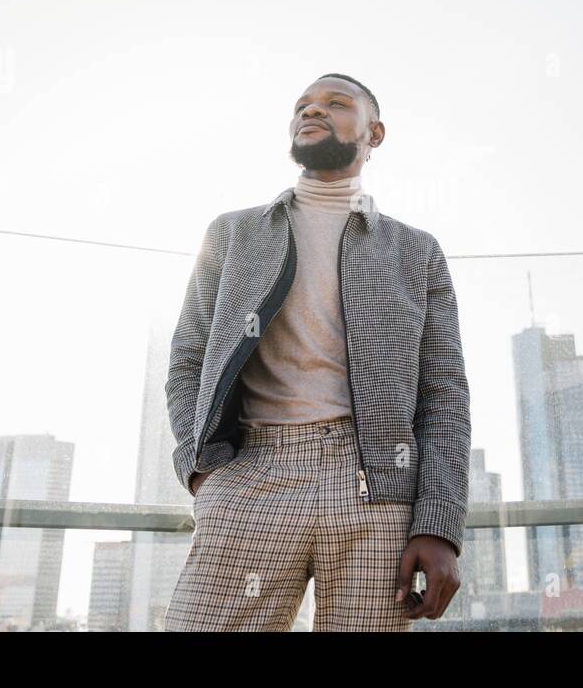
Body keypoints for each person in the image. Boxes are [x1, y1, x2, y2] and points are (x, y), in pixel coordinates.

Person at [163, 72, 471, 631]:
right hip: (250, 479)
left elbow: (443, 397)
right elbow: (187, 359)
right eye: (303, 104)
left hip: (376, 493)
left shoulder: (417, 251)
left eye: (335, 103)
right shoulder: (233, 233)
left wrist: (439, 524)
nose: (313, 110)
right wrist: (203, 470)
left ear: (374, 133)